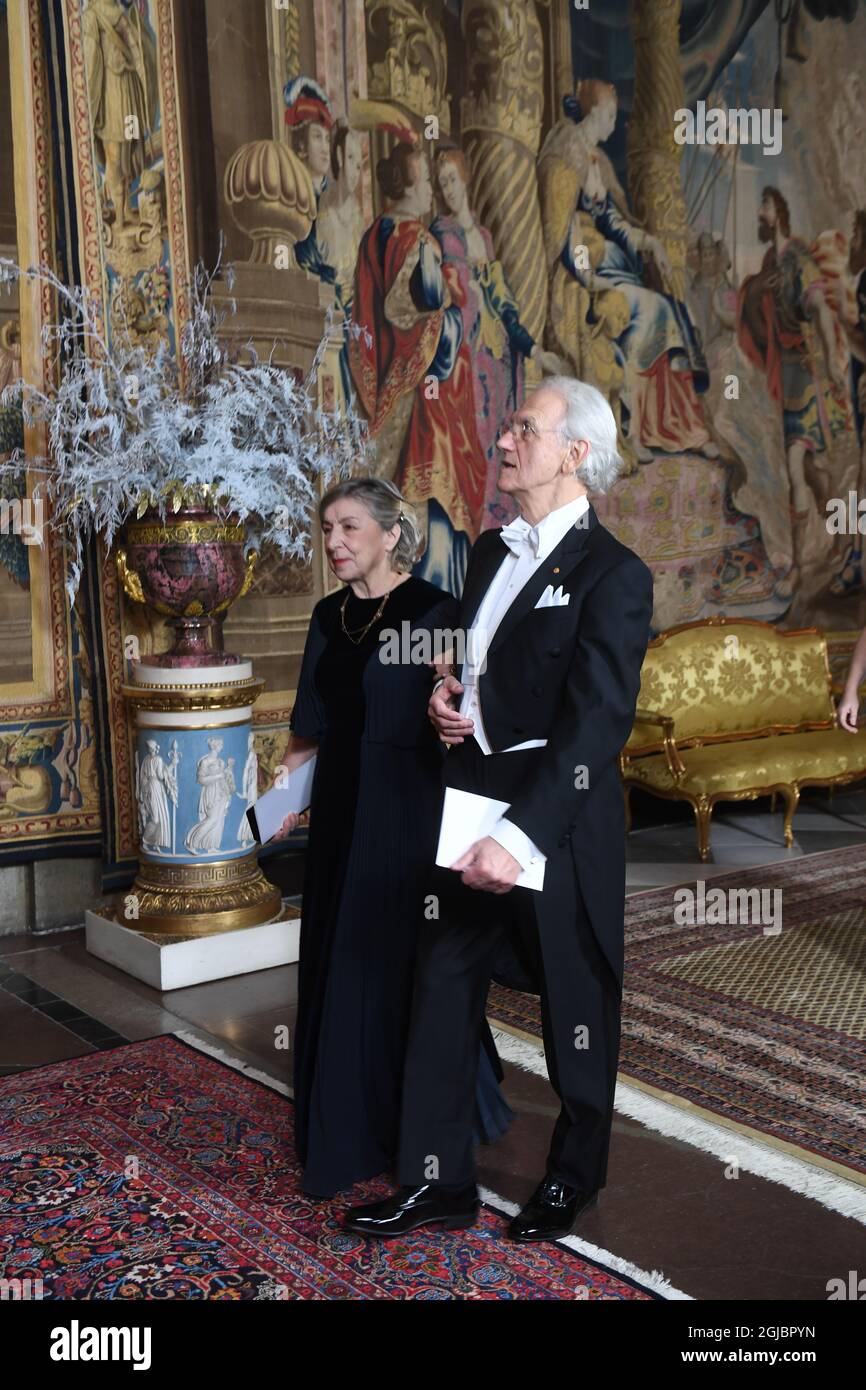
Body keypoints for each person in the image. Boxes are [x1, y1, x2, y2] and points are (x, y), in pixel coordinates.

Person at [344, 378, 653, 1242]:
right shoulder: (487, 553)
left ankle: (574, 1176)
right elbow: (479, 671)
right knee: (440, 988)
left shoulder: (616, 576)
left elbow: (596, 727)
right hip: (468, 806)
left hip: (557, 821)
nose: (504, 438)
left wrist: (518, 841)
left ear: (574, 452)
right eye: (508, 421)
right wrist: (450, 697)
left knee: (576, 1009)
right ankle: (438, 1182)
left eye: (524, 427)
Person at [274, 476, 513, 1198]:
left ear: (389, 533)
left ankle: (422, 1120)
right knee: (337, 954)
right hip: (340, 808)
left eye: (348, 528)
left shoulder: (433, 610)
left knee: (394, 960)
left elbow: (457, 714)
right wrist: (281, 796)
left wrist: (455, 714)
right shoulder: (326, 614)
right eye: (326, 531)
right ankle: (346, 1118)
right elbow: (308, 724)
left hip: (409, 808)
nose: (335, 543)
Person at [539, 80, 716, 462]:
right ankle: (632, 429)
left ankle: (675, 426)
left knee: (668, 309)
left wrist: (648, 242)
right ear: (594, 113)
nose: (615, 125)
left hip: (612, 265)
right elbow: (563, 232)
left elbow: (613, 222)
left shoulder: (596, 161)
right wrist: (589, 279)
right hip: (580, 272)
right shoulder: (567, 154)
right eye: (610, 116)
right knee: (651, 310)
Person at [348, 140, 486, 597]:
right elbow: (418, 318)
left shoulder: (375, 234)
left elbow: (371, 316)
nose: (431, 189)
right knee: (432, 513)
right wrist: (457, 317)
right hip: (427, 398)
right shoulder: (417, 238)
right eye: (426, 178)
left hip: (387, 387)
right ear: (409, 182)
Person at [431, 147, 563, 530]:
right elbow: (452, 295)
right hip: (466, 355)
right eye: (442, 184)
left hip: (498, 354)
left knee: (501, 435)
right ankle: (478, 524)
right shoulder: (441, 231)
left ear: (466, 178)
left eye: (453, 180)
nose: (449, 190)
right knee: (476, 437)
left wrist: (533, 348)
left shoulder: (484, 237)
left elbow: (503, 302)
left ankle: (502, 520)